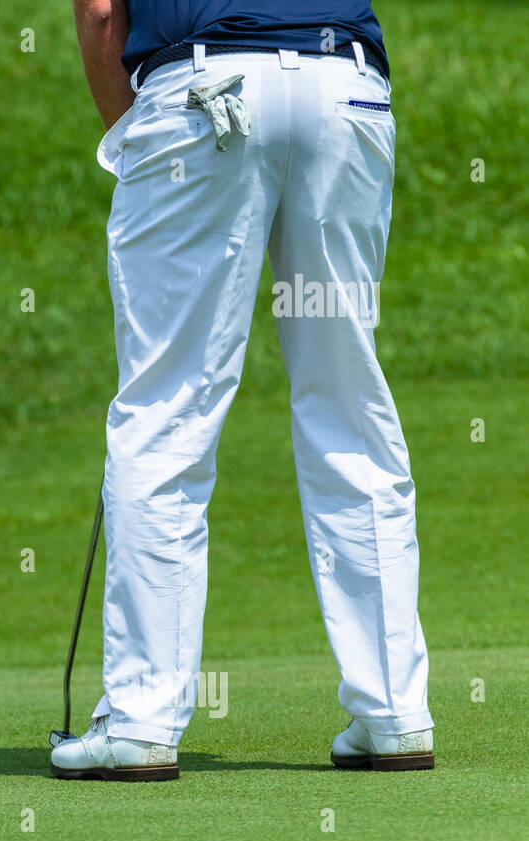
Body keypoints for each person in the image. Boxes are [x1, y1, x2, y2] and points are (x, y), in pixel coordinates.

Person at [51, 1, 434, 781]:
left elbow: (99, 15)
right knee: (348, 401)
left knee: (167, 411)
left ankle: (141, 722)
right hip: (345, 97)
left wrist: (133, 136)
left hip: (200, 97)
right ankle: (395, 714)